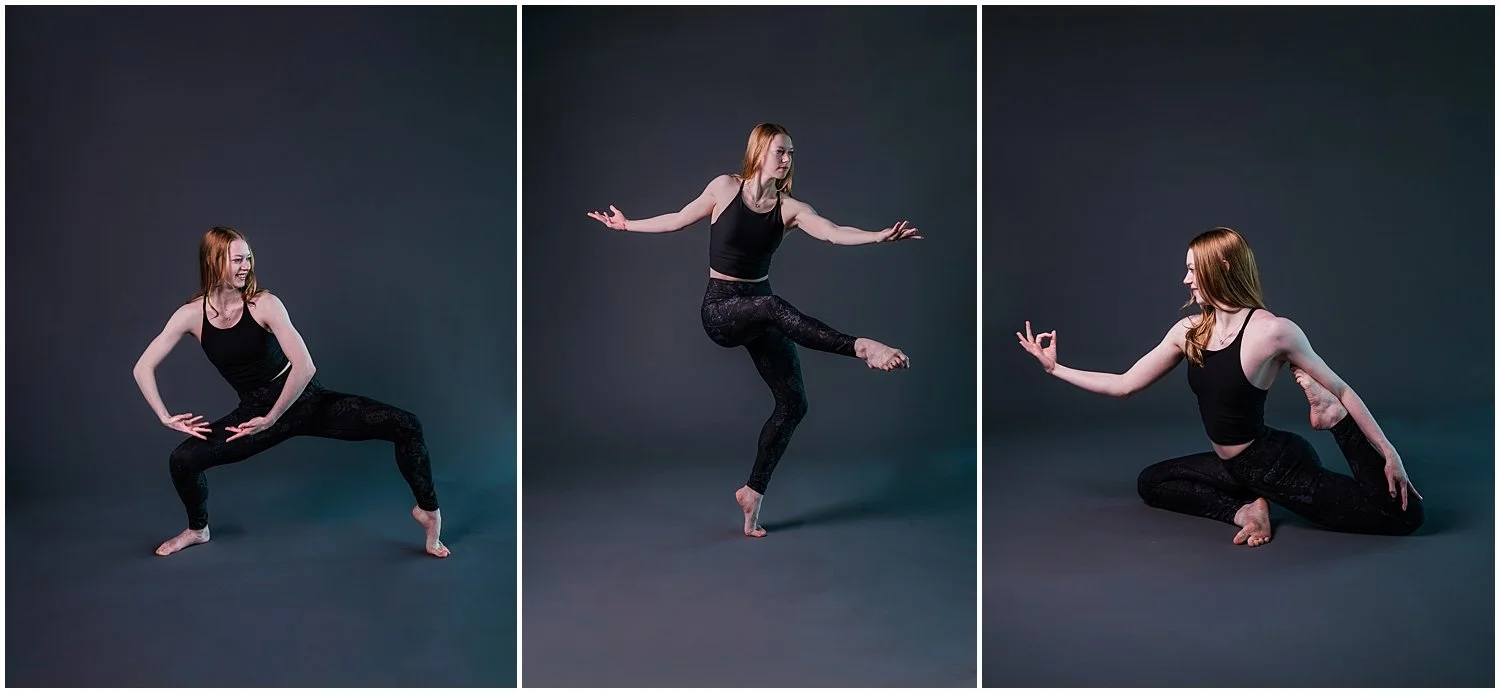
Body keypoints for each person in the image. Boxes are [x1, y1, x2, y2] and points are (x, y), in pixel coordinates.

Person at [586, 122, 921, 537]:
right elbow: (678, 219)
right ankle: (861, 348)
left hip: (761, 311)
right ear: (760, 151)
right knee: (773, 306)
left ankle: (753, 494)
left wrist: (877, 237)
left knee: (794, 404)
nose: (787, 159)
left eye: (791, 153)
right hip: (721, 309)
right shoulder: (724, 188)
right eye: (781, 151)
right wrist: (627, 225)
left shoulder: (790, 209)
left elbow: (834, 233)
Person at [1017, 227, 1423, 547]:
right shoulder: (1188, 331)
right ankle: (1247, 510)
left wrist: (1389, 453)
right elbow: (1124, 385)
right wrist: (1056, 369)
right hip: (1235, 467)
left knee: (1401, 519)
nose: (1185, 279)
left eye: (1193, 270)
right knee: (1152, 482)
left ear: (1223, 267)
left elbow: (1344, 388)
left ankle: (1331, 418)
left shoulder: (1274, 331)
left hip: (1274, 464)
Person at [132, 226, 449, 558]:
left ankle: (428, 511)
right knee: (183, 460)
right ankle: (198, 529)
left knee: (407, 424)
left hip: (305, 400)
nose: (246, 266)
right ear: (213, 261)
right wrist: (165, 416)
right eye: (237, 260)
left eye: (248, 259)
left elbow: (305, 367)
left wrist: (272, 418)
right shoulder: (190, 316)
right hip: (255, 413)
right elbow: (143, 367)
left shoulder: (264, 304)